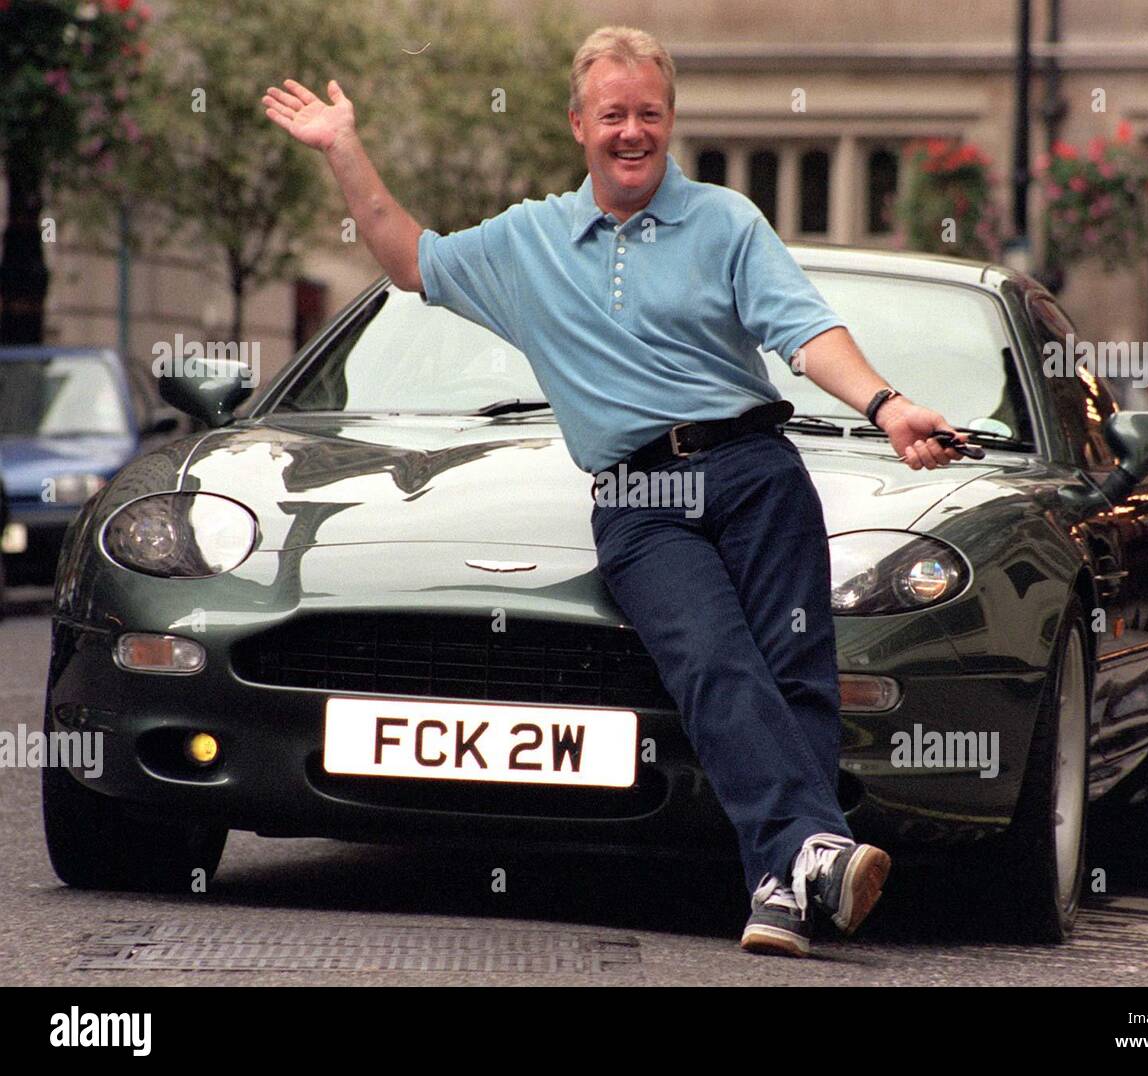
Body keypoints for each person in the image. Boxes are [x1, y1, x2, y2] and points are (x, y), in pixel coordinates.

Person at [263, 24, 973, 957]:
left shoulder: (725, 222)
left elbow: (805, 332)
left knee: (795, 679)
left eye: (648, 112)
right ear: (577, 125)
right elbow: (406, 258)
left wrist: (884, 404)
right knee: (713, 661)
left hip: (755, 472)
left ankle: (780, 890)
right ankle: (815, 850)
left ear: (670, 121)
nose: (630, 131)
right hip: (640, 498)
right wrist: (343, 149)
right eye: (612, 115)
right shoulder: (528, 242)